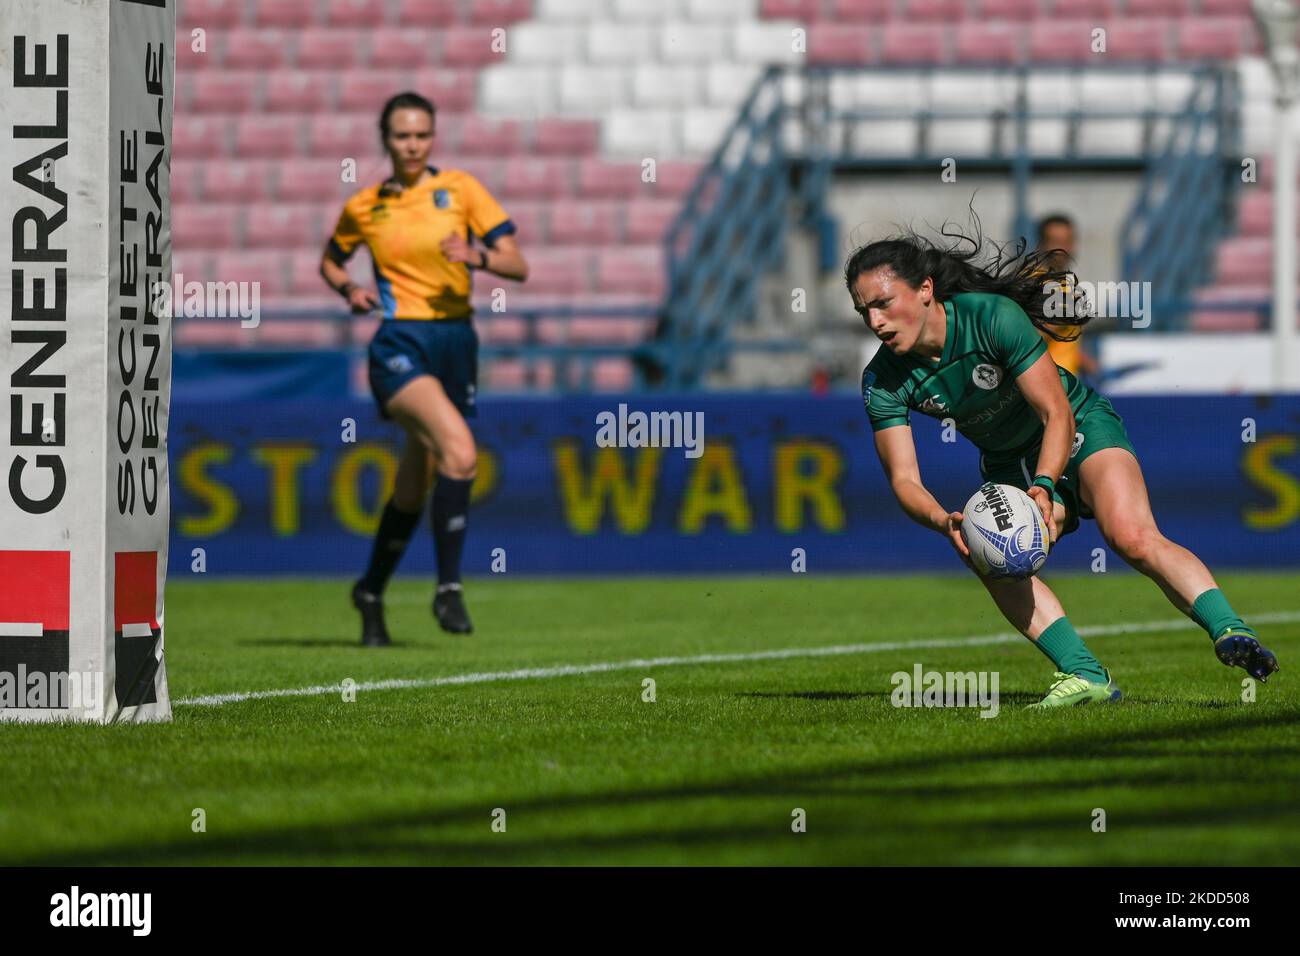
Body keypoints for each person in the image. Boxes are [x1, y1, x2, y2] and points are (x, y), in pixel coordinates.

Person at [849, 224, 1278, 707]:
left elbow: (1056, 413)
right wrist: (943, 520)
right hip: (1008, 462)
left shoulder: (991, 317)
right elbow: (904, 479)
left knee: (1131, 536)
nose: (875, 321)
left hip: (1078, 427)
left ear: (925, 289)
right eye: (864, 311)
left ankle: (1230, 630)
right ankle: (1085, 675)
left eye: (883, 303)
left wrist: (1046, 485)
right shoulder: (881, 380)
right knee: (992, 560)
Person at [320, 91, 528, 646]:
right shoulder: (365, 206)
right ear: (385, 139)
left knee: (414, 485)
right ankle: (449, 588)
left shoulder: (461, 189)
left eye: (421, 135)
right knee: (460, 453)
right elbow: (331, 261)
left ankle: (369, 590)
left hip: (455, 342)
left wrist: (478, 256)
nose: (412, 145)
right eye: (402, 135)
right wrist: (351, 289)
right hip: (400, 343)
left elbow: (517, 264)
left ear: (433, 137)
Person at [1034, 213, 1100, 380]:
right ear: (1041, 244)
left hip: (1067, 381)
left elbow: (1062, 341)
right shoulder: (1033, 282)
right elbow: (1027, 339)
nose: (1063, 249)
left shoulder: (1067, 282)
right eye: (1056, 242)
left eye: (1068, 241)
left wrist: (1083, 360)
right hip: (1045, 383)